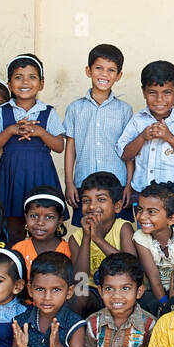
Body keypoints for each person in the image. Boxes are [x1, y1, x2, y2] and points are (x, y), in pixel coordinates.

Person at [0, 54, 66, 242]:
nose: (25, 82)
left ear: (41, 84)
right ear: (10, 85)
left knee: (43, 222)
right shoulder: (2, 112)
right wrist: (11, 130)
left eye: (32, 77)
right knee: (13, 227)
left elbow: (59, 146)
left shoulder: (48, 112)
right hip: (12, 174)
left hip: (40, 174)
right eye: (18, 77)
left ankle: (41, 264)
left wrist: (40, 132)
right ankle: (16, 264)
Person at [116, 60, 174, 205]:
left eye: (167, 93)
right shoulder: (137, 121)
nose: (159, 99)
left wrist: (169, 137)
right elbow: (125, 154)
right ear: (143, 92)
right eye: (152, 93)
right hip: (142, 193)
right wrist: (142, 137)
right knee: (145, 227)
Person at [62, 44, 133, 219]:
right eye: (98, 68)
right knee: (86, 232)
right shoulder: (75, 108)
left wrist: (129, 185)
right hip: (83, 184)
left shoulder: (124, 110)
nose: (104, 74)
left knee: (118, 234)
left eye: (111, 70)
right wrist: (69, 182)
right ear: (88, 70)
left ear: (119, 76)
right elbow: (70, 147)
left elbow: (130, 151)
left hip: (118, 184)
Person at [126, 180, 174, 312]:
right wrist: (165, 305)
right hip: (154, 292)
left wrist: (172, 305)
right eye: (140, 210)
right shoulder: (140, 237)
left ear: (172, 219)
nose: (141, 217)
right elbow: (153, 276)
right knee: (146, 301)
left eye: (151, 212)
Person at [68, 171, 130, 314]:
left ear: (117, 206)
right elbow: (79, 278)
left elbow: (130, 266)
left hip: (122, 288)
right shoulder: (75, 238)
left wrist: (98, 239)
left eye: (101, 200)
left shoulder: (123, 228)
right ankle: (77, 333)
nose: (91, 206)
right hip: (93, 291)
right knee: (79, 295)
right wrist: (86, 238)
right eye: (86, 201)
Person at [11, 187, 76, 277]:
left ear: (60, 220)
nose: (40, 223)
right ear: (26, 217)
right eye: (33, 216)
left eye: (49, 217)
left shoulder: (68, 250)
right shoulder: (19, 249)